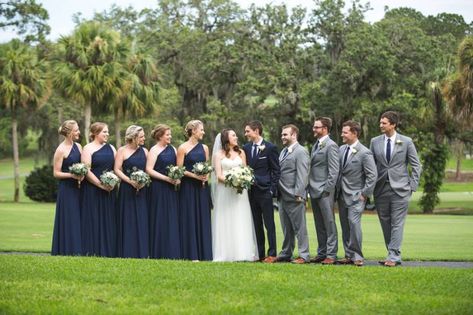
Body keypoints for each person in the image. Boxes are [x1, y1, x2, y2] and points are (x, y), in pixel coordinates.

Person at [370, 111, 422, 267]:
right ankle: (391, 255)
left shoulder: (406, 142)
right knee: (385, 223)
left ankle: (393, 256)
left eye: (384, 123)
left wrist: (412, 186)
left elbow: (416, 165)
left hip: (401, 190)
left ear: (393, 124)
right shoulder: (374, 141)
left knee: (397, 223)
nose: (381, 125)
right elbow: (371, 166)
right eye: (380, 122)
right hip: (380, 189)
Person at [211, 129, 259, 262]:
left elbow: (245, 171)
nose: (236, 137)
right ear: (226, 138)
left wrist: (241, 180)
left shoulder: (241, 152)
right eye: (233, 135)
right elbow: (218, 175)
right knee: (226, 219)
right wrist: (232, 181)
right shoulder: (218, 155)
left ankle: (243, 252)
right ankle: (226, 253)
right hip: (225, 191)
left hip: (240, 193)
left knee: (240, 218)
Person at [336, 121, 377, 267]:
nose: (342, 134)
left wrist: (364, 194)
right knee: (345, 226)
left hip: (357, 196)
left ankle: (358, 256)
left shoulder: (365, 152)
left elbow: (372, 175)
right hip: (341, 195)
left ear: (354, 133)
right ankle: (348, 255)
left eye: (345, 132)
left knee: (354, 224)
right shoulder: (341, 149)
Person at [243, 121, 280, 263]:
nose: (245, 134)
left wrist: (272, 190)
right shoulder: (245, 148)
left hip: (265, 192)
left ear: (256, 131)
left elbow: (276, 171)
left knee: (269, 224)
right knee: (256, 224)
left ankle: (272, 254)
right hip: (251, 192)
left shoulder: (270, 148)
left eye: (248, 131)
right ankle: (260, 254)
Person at [177, 120, 212, 261]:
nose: (203, 132)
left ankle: (205, 253)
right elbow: (179, 169)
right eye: (201, 130)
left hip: (202, 188)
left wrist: (205, 177)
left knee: (203, 217)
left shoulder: (204, 148)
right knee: (190, 218)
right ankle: (191, 254)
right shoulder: (182, 148)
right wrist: (195, 176)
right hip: (188, 188)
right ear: (193, 131)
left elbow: (207, 166)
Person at [81, 122, 118, 257]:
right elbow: (86, 170)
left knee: (109, 220)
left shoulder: (112, 148)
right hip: (93, 190)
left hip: (110, 190)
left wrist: (112, 182)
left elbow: (116, 168)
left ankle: (109, 251)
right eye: (104, 132)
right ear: (95, 133)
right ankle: (92, 250)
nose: (107, 134)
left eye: (108, 132)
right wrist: (100, 184)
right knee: (93, 219)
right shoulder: (88, 148)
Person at [275, 124, 310, 264]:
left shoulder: (301, 151)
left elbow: (303, 174)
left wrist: (299, 194)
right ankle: (286, 253)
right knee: (286, 227)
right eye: (282, 134)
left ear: (294, 135)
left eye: (285, 134)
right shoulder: (283, 151)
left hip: (294, 196)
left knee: (299, 228)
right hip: (282, 195)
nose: (282, 137)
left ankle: (304, 255)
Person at [146, 124, 181, 259]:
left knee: (171, 218)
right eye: (167, 135)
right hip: (158, 188)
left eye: (170, 134)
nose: (170, 137)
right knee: (159, 217)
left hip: (171, 189)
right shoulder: (154, 150)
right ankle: (158, 251)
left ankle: (172, 251)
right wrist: (167, 179)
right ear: (160, 136)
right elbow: (149, 169)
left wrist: (177, 177)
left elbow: (177, 167)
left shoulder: (173, 149)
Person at [308, 117, 339, 265]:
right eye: (314, 127)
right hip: (314, 189)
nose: (314, 129)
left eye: (317, 127)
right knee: (319, 223)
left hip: (325, 191)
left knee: (329, 223)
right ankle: (322, 252)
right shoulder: (316, 145)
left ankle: (331, 254)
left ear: (325, 129)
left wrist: (327, 190)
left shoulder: (331, 145)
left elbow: (334, 171)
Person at [115, 125, 149, 258]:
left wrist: (143, 181)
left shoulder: (145, 151)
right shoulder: (122, 151)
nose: (144, 138)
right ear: (134, 137)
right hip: (126, 190)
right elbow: (117, 169)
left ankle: (142, 251)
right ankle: (126, 251)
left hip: (142, 190)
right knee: (127, 219)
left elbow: (148, 169)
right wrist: (130, 181)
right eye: (141, 136)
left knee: (141, 219)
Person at [51, 120, 83, 256]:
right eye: (76, 130)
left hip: (79, 188)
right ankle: (66, 250)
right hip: (67, 189)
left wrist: (82, 174)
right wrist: (72, 175)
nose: (79, 132)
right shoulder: (60, 150)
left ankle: (79, 249)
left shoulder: (79, 147)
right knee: (69, 219)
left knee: (79, 219)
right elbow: (56, 173)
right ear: (69, 132)